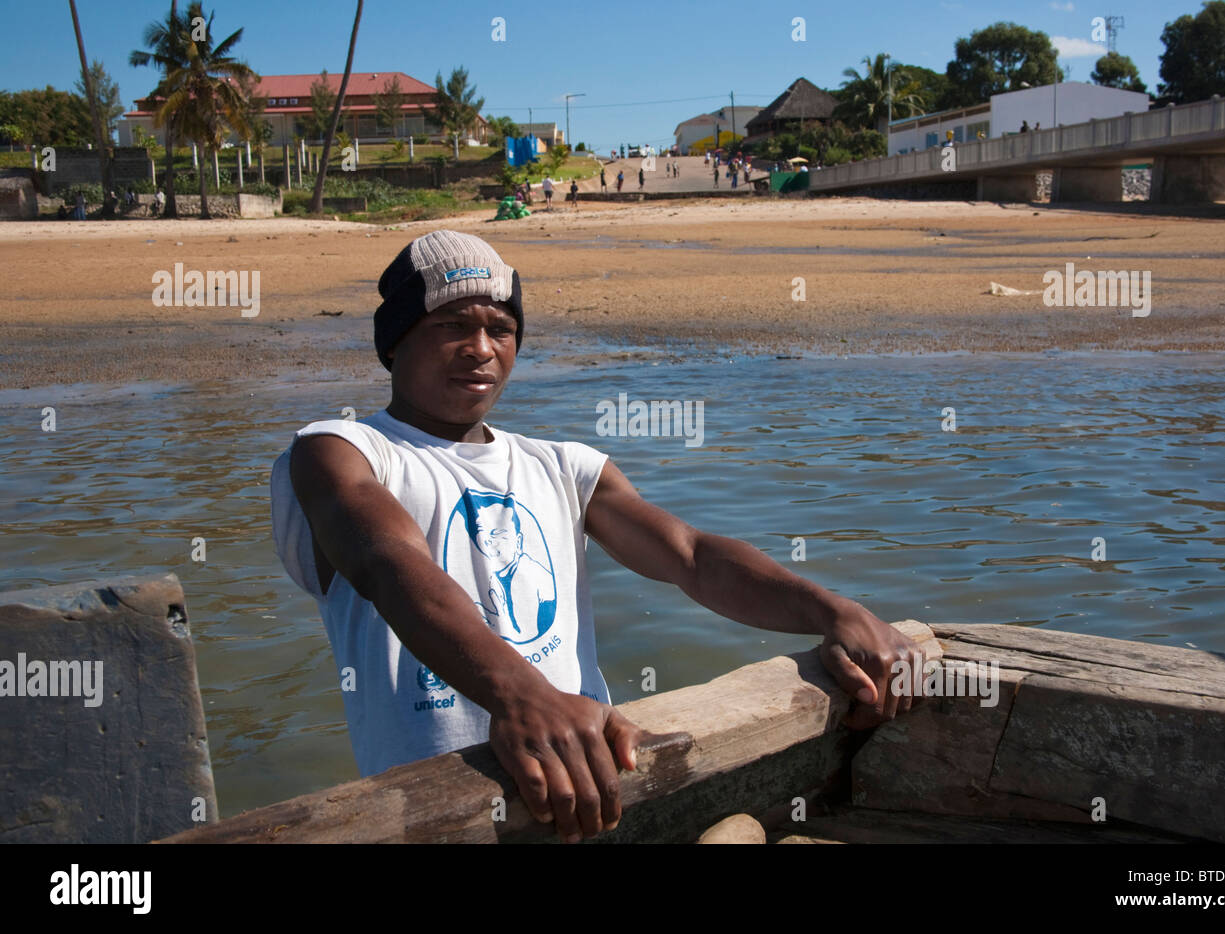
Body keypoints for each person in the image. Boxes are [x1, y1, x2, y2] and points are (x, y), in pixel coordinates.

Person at [270, 229, 924, 843]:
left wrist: (832, 611)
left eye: (501, 329)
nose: (481, 349)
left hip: (589, 792)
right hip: (435, 814)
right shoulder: (342, 451)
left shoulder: (565, 466)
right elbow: (388, 563)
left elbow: (691, 557)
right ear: (396, 341)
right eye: (451, 327)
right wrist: (523, 698)